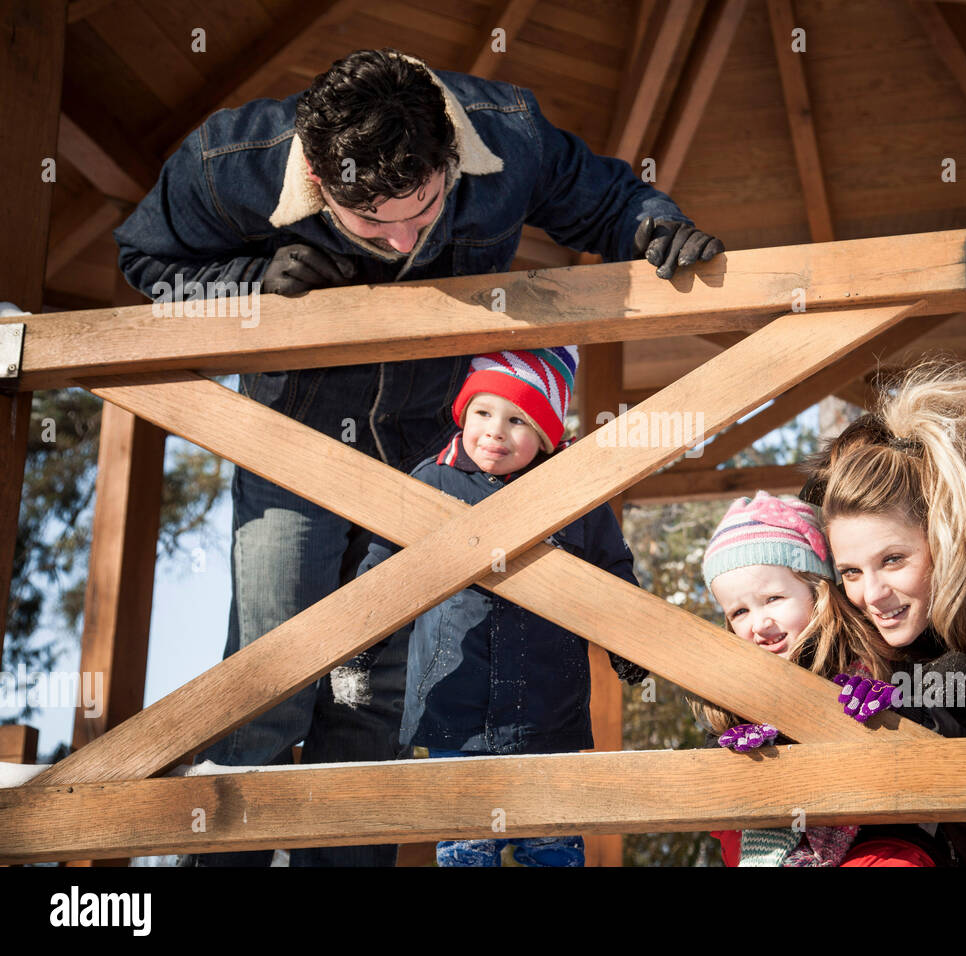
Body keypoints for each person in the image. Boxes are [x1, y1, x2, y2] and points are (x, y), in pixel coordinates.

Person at [113, 48, 721, 866]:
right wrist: (251, 283)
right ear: (320, 183)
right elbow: (146, 264)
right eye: (372, 225)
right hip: (293, 444)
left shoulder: (507, 135)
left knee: (377, 699)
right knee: (269, 681)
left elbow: (610, 198)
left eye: (424, 208)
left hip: (430, 452)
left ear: (448, 158)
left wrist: (655, 226)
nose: (403, 238)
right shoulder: (231, 161)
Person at [354, 347, 647, 867]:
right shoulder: (431, 482)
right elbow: (385, 571)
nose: (494, 431)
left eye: (518, 420)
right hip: (454, 704)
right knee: (467, 846)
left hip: (547, 708)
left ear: (547, 433)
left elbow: (612, 570)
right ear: (463, 414)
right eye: (482, 413)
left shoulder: (574, 493)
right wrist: (358, 649)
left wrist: (629, 645)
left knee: (552, 843)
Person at [800, 360, 966, 866]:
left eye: (892, 560)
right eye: (851, 571)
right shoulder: (866, 647)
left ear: (944, 543)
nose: (872, 594)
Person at [694, 492, 917, 867]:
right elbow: (713, 780)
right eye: (739, 611)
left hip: (876, 832)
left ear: (818, 590)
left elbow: (928, 720)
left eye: (774, 598)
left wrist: (892, 706)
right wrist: (732, 752)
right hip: (765, 838)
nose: (760, 623)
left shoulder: (868, 655)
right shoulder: (735, 688)